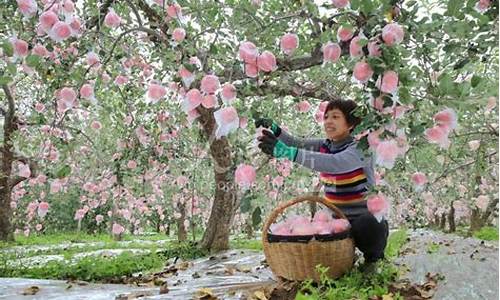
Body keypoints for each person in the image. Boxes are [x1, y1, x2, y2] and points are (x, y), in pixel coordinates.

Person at [256, 99, 389, 268]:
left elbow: (335, 163)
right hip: (336, 221)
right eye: (326, 117)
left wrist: (289, 153)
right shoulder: (325, 145)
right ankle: (343, 258)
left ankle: (374, 259)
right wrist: (276, 129)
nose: (328, 121)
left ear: (351, 124)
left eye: (335, 116)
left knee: (371, 224)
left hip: (362, 220)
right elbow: (296, 143)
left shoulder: (362, 149)